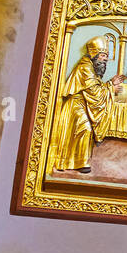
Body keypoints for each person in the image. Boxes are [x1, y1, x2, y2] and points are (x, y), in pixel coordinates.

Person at [50, 38, 114, 173]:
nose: (105, 59)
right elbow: (94, 91)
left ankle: (78, 162)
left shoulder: (91, 68)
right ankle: (76, 162)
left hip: (84, 103)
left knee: (85, 130)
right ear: (94, 55)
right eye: (103, 56)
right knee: (85, 129)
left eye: (107, 56)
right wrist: (111, 87)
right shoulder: (85, 67)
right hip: (76, 104)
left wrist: (108, 84)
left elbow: (95, 87)